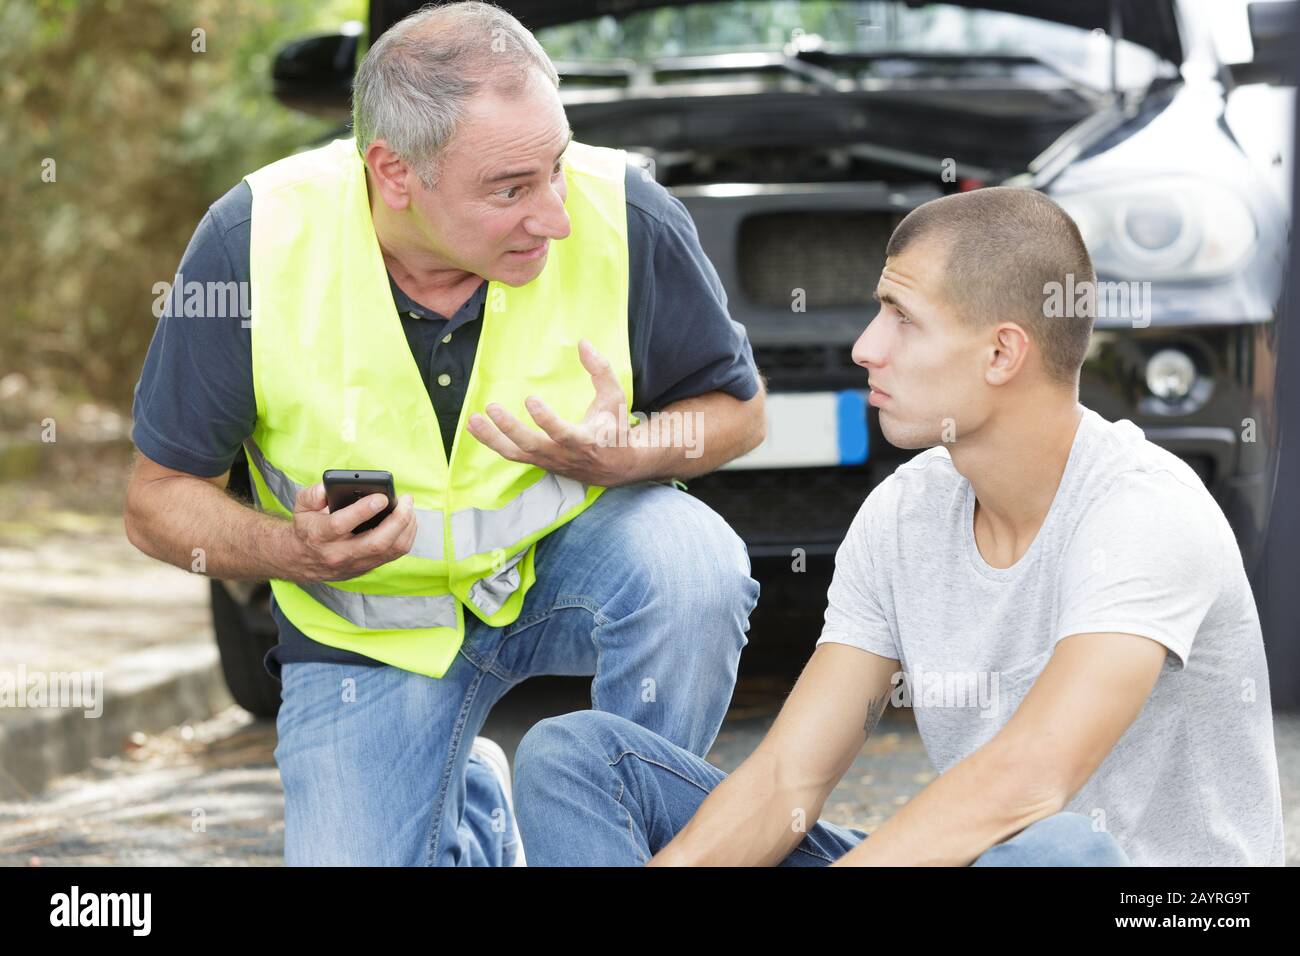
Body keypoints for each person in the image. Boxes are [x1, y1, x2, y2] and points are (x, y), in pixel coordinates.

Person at [124, 2, 766, 866]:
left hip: (558, 569)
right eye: (511, 189)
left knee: (694, 565)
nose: (557, 215)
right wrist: (295, 550)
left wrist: (634, 455)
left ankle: (630, 834)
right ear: (395, 173)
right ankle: (475, 811)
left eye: (556, 168)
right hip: (368, 633)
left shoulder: (626, 211)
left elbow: (739, 411)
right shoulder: (253, 243)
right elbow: (157, 502)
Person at [513, 186, 1286, 866]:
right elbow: (789, 778)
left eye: (901, 319)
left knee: (1055, 849)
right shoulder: (906, 511)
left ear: (1001, 353)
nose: (864, 347)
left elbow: (1030, 780)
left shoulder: (1143, 512)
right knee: (576, 756)